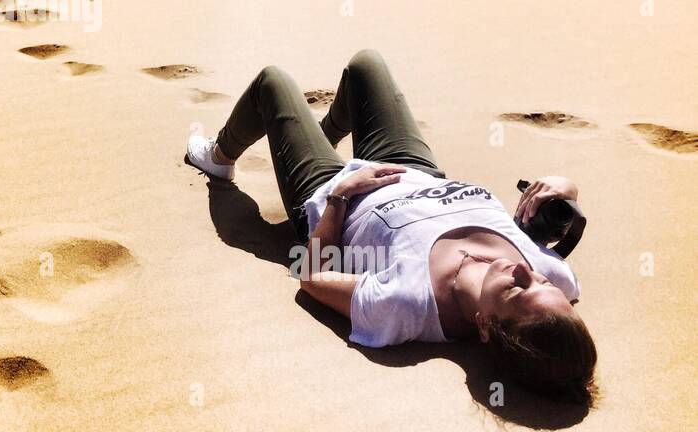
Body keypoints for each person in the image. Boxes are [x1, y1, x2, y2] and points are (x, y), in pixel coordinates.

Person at [184, 49, 597, 405]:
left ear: (486, 326)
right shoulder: (556, 280)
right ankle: (320, 137)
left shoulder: (405, 306)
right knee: (366, 65)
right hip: (419, 172)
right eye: (542, 283)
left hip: (334, 193)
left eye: (516, 289)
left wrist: (341, 196)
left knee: (272, 82)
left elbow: (310, 277)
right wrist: (565, 186)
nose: (527, 271)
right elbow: (556, 220)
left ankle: (219, 156)